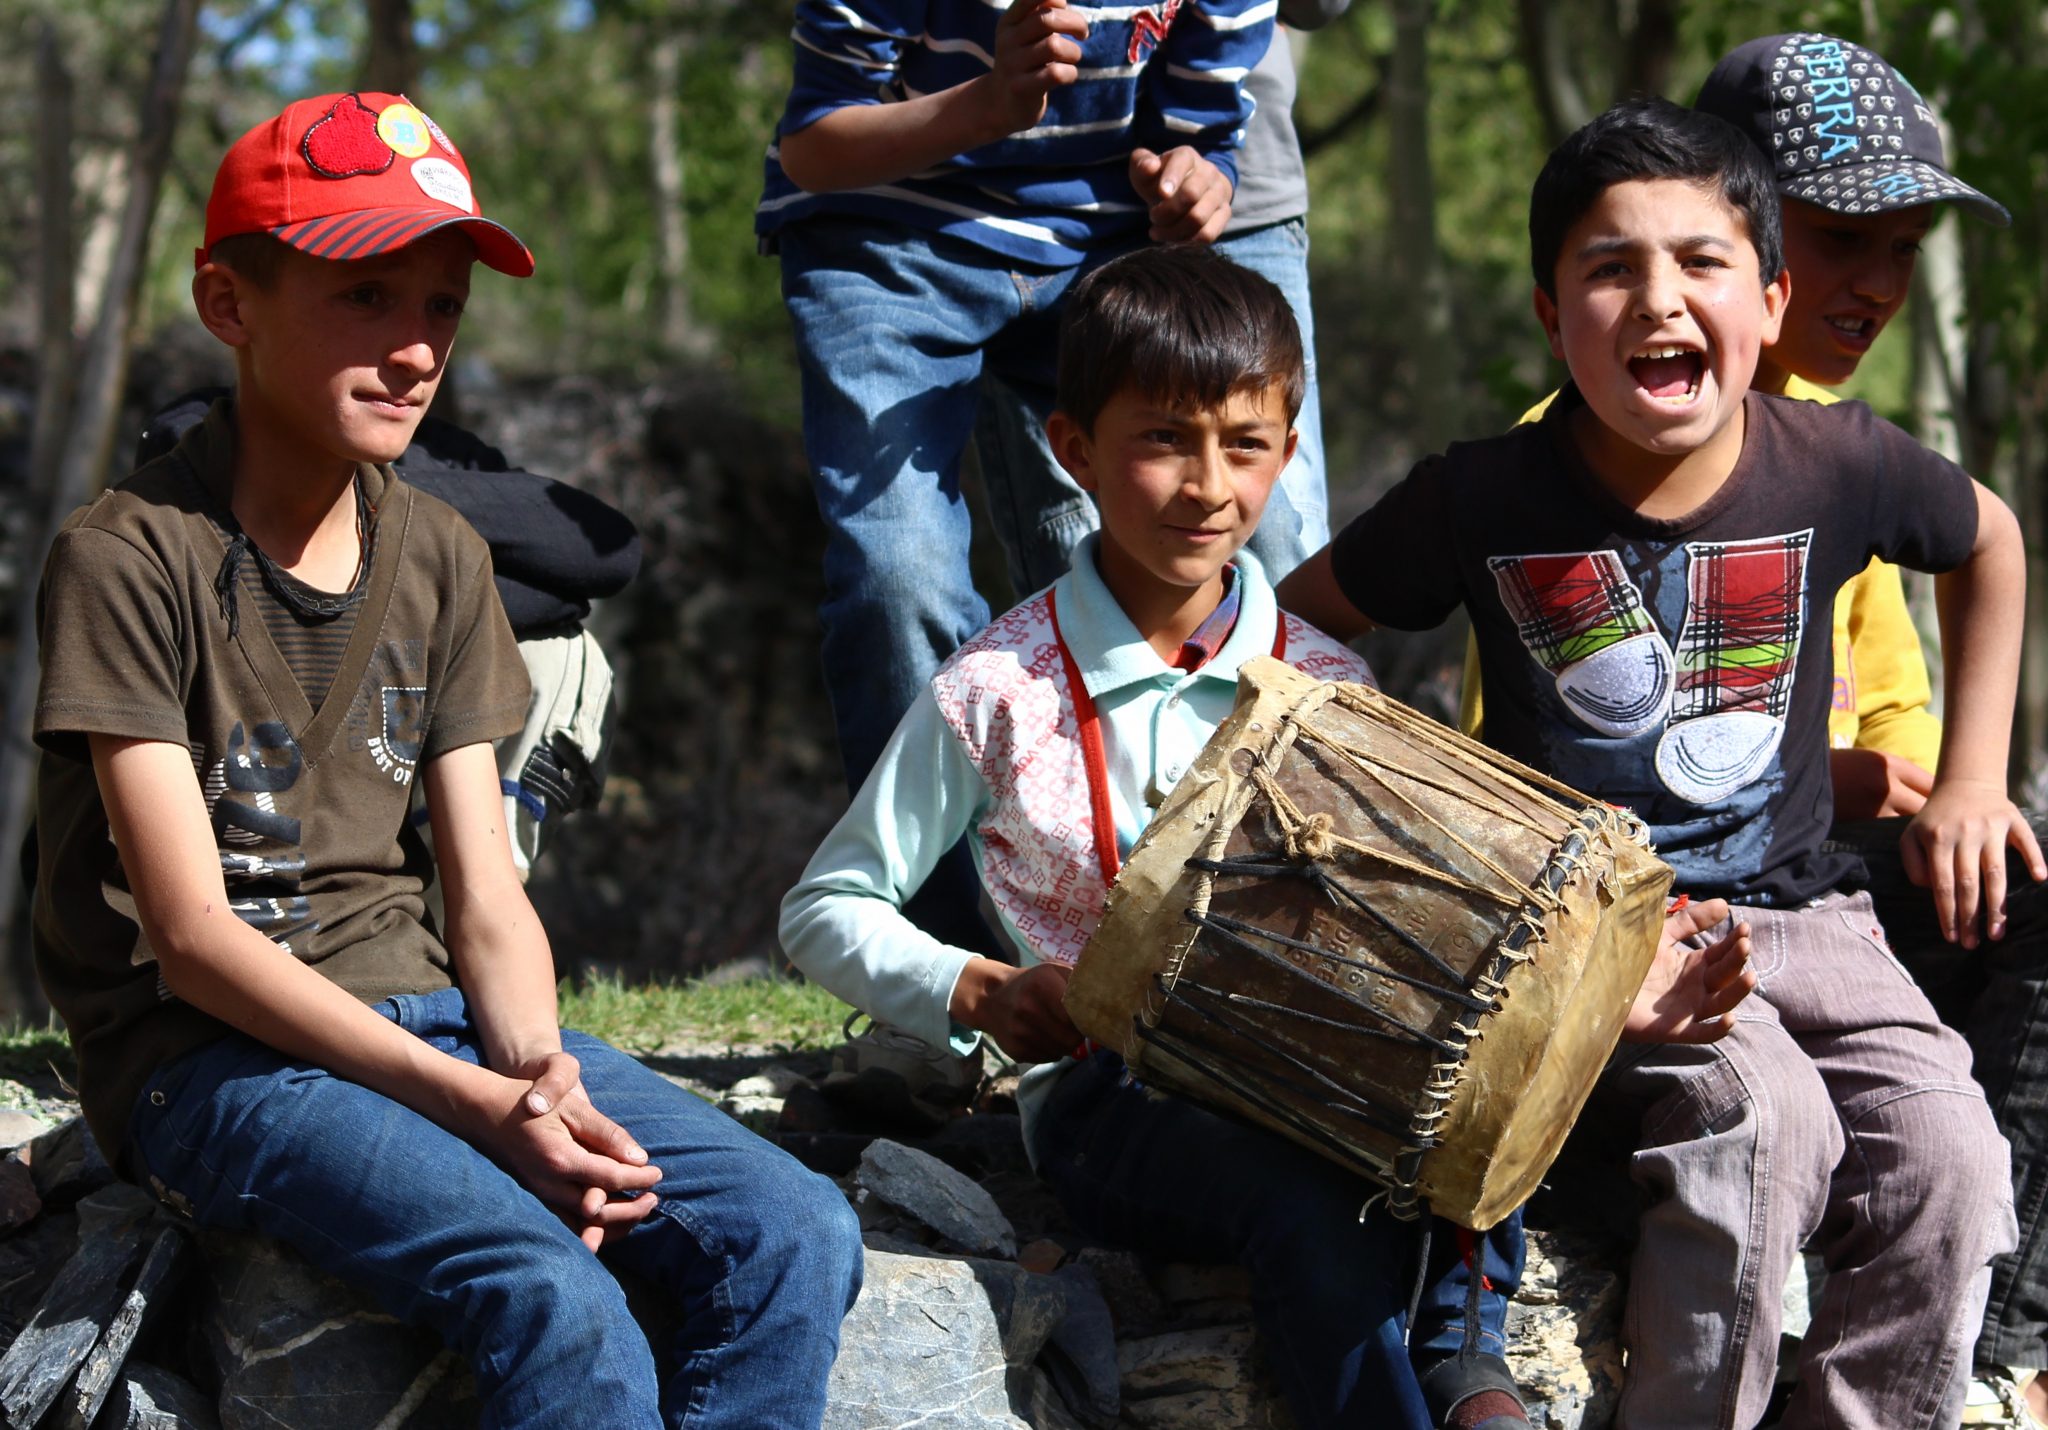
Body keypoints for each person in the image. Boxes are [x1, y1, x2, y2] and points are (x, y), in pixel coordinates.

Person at [782, 245, 1756, 1430]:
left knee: (1464, 1103)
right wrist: (974, 986)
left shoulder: (1328, 683)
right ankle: (1436, 1388)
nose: (1205, 485)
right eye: (1161, 440)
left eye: (1242, 444)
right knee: (1302, 1201)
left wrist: (1611, 993)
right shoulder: (997, 686)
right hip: (1108, 1099)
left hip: (1334, 1071)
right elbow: (823, 905)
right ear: (1070, 449)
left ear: (1286, 452)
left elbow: (1442, 942)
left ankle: (1466, 1363)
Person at [30, 93, 861, 1430]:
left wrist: (540, 1076)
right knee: (554, 1300)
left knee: (795, 1233)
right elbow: (187, 936)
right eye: (365, 298)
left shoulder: (441, 553)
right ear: (228, 303)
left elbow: (485, 889)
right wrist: (477, 1106)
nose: (415, 349)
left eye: (441, 306)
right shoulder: (127, 556)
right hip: (218, 1056)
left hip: (440, 1017)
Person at [1279, 96, 2037, 1429]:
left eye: (1701, 263)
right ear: (1546, 311)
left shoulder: (1839, 465)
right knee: (1764, 1126)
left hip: (1822, 923)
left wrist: (1975, 778)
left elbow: (1990, 539)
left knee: (1958, 1162)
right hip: (1608, 946)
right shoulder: (1483, 498)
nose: (1658, 298)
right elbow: (1290, 635)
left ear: (1771, 295)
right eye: (1610, 267)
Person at [757, 0, 1279, 958]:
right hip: (885, 238)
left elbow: (1197, 136)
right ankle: (942, 968)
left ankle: (1148, 953)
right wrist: (992, 101)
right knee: (896, 575)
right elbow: (814, 144)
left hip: (1096, 244)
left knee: (1169, 570)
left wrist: (1195, 181)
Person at [969, 0, 1349, 595]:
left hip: (1230, 196)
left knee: (1280, 553)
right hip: (1026, 202)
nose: (1208, 486)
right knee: (1072, 553)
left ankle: (1290, 690)